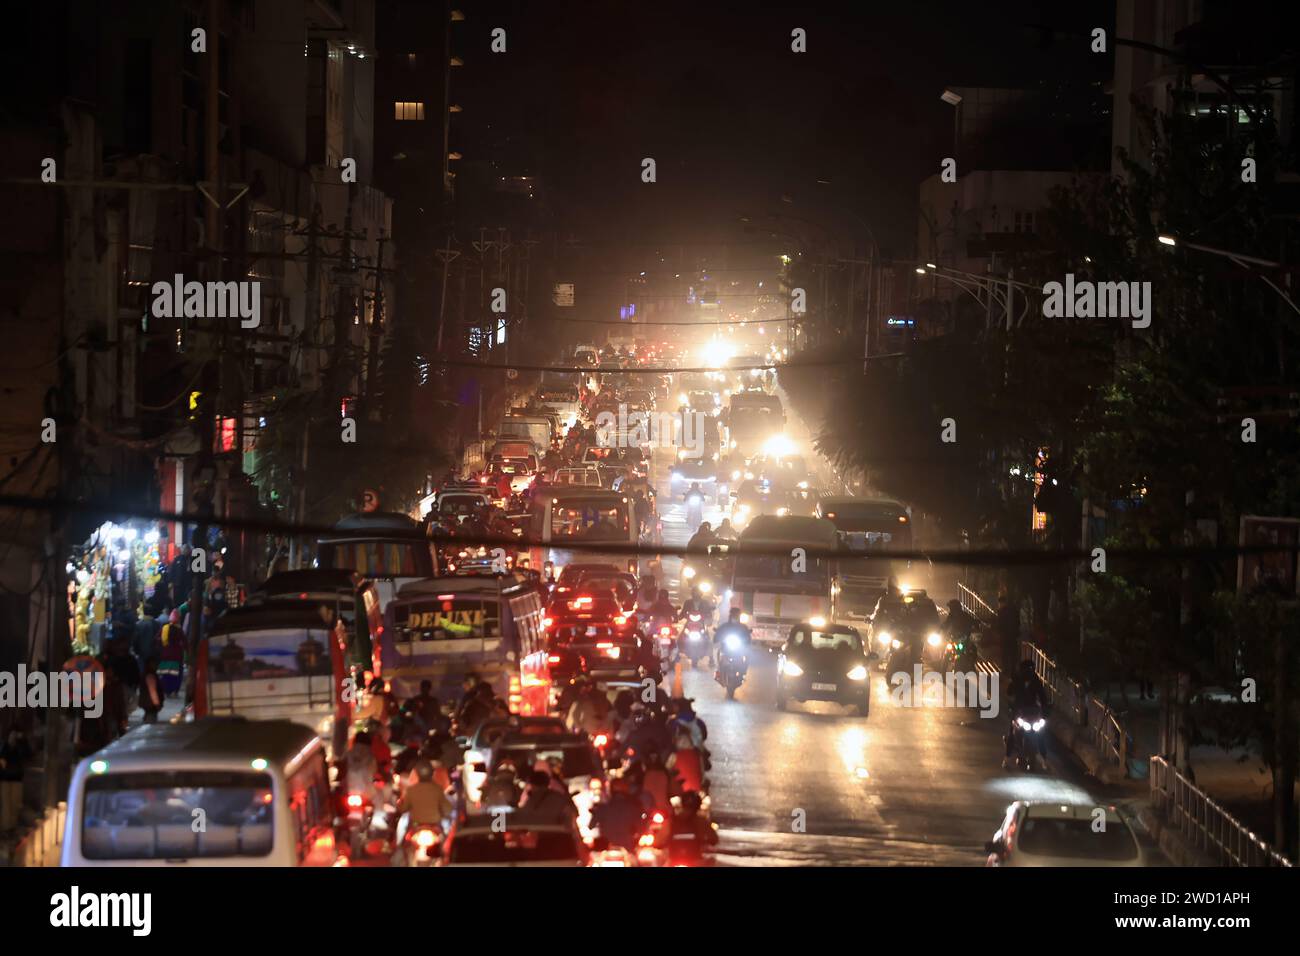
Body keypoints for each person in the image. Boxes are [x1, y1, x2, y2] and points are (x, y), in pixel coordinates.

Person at [395, 759, 453, 848]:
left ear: (417, 774)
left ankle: (398, 847)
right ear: (431, 773)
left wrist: (399, 805)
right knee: (447, 840)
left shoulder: (411, 790)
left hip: (416, 826)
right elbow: (447, 808)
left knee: (402, 838)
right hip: (434, 826)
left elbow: (403, 808)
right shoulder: (437, 789)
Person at [1004, 659, 1050, 761]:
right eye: (1027, 669)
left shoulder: (1036, 681)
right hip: (1019, 710)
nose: (1029, 672)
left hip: (1032, 711)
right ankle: (1007, 757)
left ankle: (1043, 756)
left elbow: (1042, 696)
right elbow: (1009, 692)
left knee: (1041, 733)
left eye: (1031, 669)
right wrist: (1012, 704)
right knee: (1012, 731)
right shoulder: (1017, 679)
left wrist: (1045, 708)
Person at [591, 777, 648, 850]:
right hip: (628, 848)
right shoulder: (634, 807)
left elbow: (591, 826)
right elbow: (642, 827)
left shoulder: (603, 808)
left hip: (607, 849)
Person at [0, 726, 34, 832]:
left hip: (17, 778)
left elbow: (28, 755)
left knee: (15, 804)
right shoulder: (4, 746)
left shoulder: (21, 747)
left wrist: (23, 741)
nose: (13, 737)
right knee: (6, 805)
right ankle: (6, 828)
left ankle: (12, 827)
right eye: (12, 734)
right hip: (5, 779)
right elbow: (2, 760)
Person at [139, 656, 164, 724]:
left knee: (149, 718)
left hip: (148, 703)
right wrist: (156, 703)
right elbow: (152, 691)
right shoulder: (150, 675)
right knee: (151, 721)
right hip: (150, 704)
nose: (156, 665)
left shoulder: (147, 674)